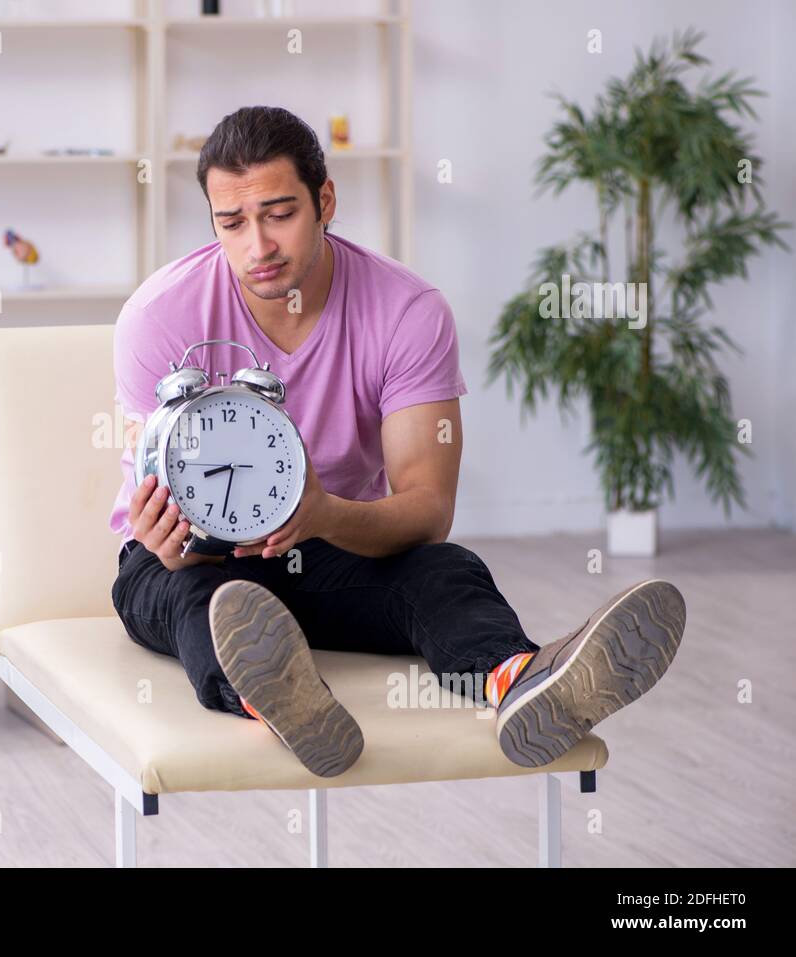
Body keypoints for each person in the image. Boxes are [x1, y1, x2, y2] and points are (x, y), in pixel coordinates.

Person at [108, 106, 686, 778]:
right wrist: (168, 543)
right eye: (231, 222)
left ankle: (524, 681)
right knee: (201, 604)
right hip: (180, 561)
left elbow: (427, 507)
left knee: (444, 571)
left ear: (326, 200)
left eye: (279, 213)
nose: (256, 245)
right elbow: (160, 521)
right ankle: (281, 699)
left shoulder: (406, 311)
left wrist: (323, 513)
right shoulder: (159, 316)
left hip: (327, 548)